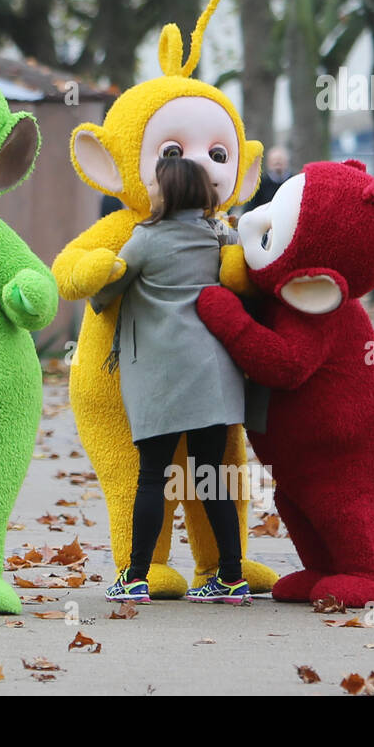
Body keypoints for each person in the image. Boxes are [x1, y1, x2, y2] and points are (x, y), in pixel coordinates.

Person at [89, 157, 249, 605]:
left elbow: (104, 295)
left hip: (161, 375)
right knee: (211, 476)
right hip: (215, 373)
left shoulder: (145, 241)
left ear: (168, 192)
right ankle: (231, 578)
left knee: (152, 476)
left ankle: (135, 576)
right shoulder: (221, 237)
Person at [244, 145, 290, 212]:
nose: (277, 162)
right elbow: (250, 209)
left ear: (286, 162)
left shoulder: (293, 181)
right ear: (269, 163)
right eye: (274, 160)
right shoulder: (259, 184)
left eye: (280, 160)